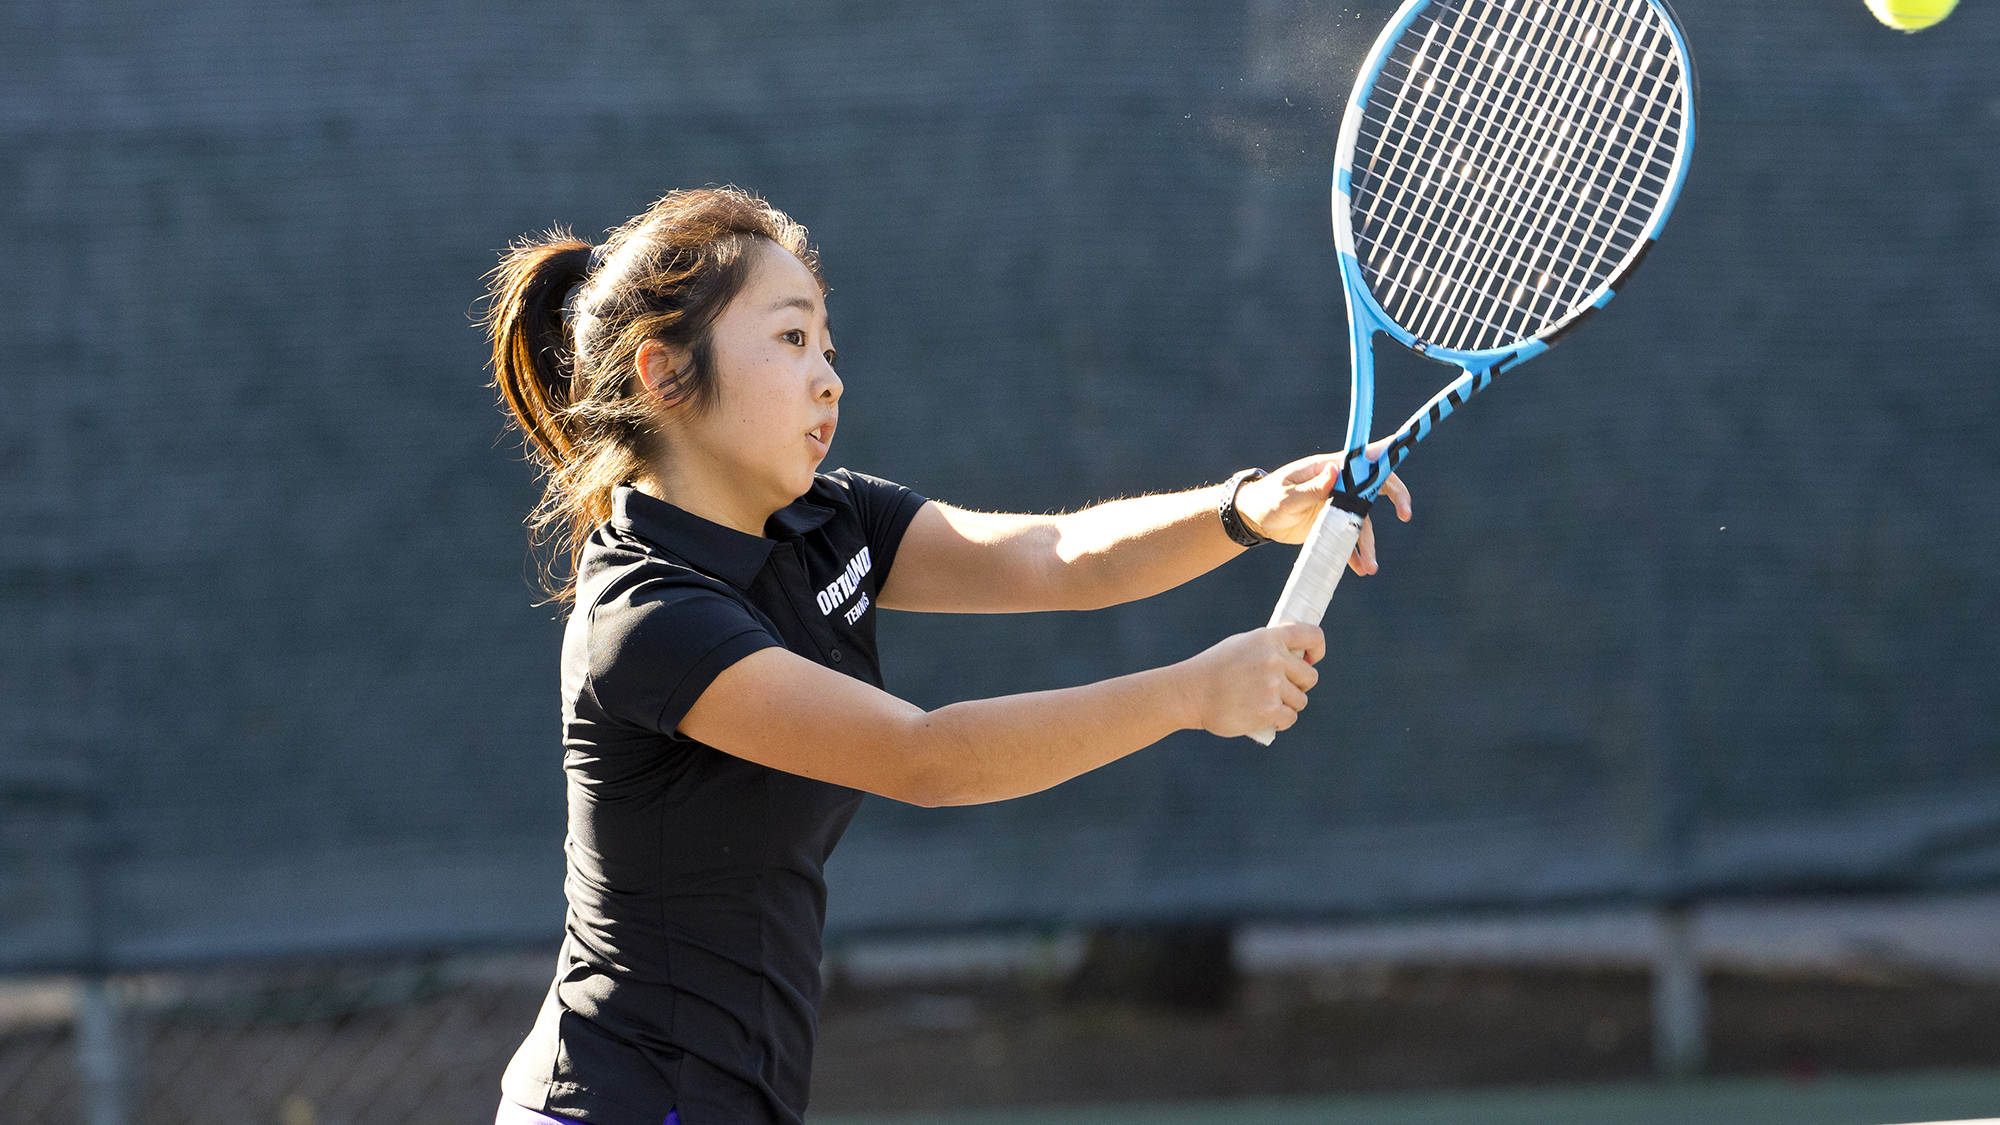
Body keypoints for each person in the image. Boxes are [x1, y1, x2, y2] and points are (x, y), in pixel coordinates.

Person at [482, 187, 1411, 1125]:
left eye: (829, 347)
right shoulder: (646, 615)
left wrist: (1245, 508)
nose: (830, 379)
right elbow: (925, 758)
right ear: (667, 373)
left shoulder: (828, 518)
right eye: (792, 337)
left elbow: (1052, 555)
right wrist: (1193, 694)